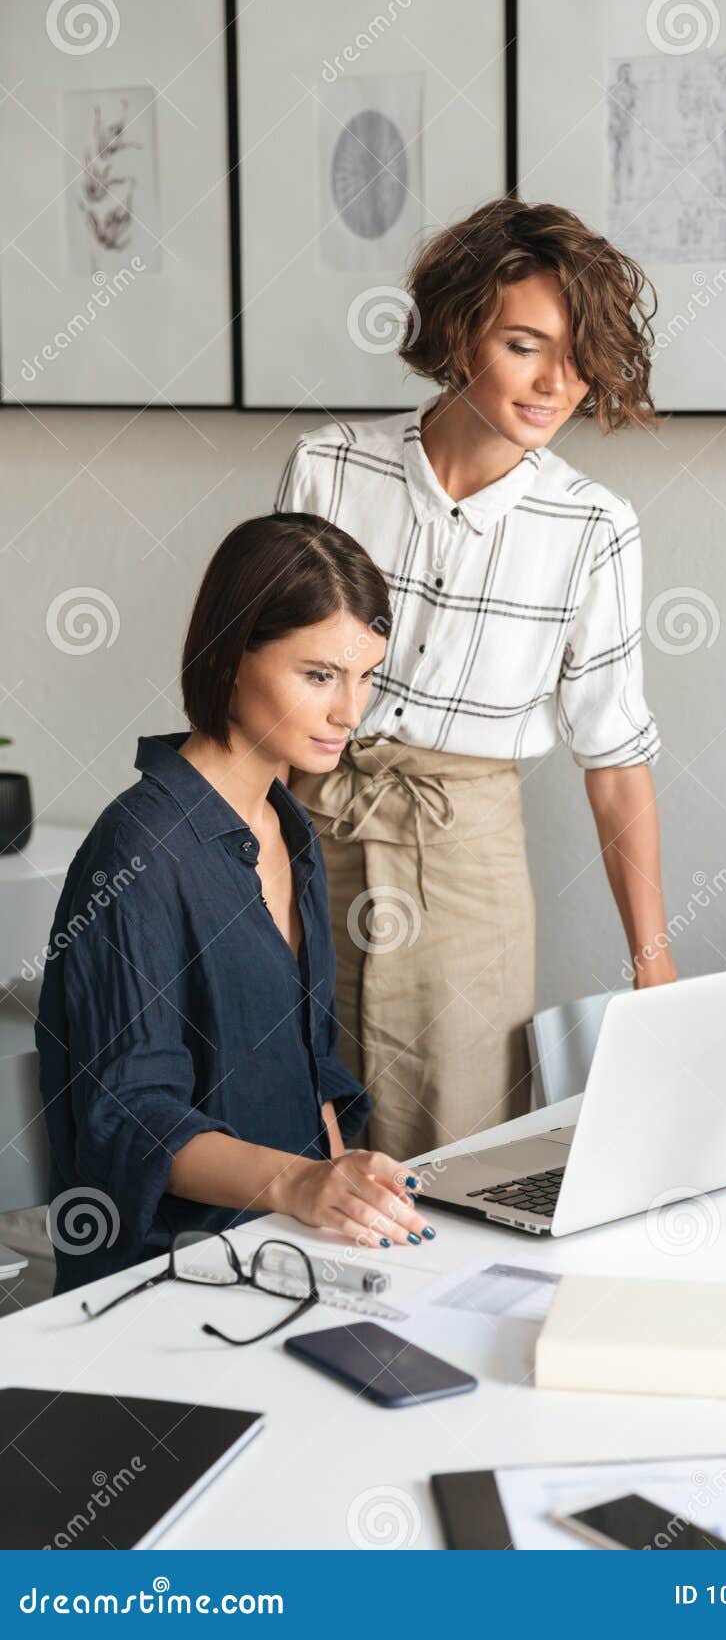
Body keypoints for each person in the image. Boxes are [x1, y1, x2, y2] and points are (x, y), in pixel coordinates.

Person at [274, 195, 675, 1165]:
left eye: (578, 357)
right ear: (458, 335)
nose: (555, 383)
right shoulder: (328, 469)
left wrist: (651, 966)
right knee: (286, 1112)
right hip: (302, 835)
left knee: (455, 1151)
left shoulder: (592, 527)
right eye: (525, 345)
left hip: (470, 859)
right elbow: (261, 695)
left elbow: (613, 756)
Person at [35, 513, 435, 1297]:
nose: (349, 713)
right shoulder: (139, 852)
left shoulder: (290, 828)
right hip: (170, 1279)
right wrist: (297, 1187)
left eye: (365, 676)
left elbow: (313, 1071)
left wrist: (342, 1196)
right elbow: (134, 1118)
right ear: (229, 657)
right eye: (319, 675)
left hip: (289, 1253)